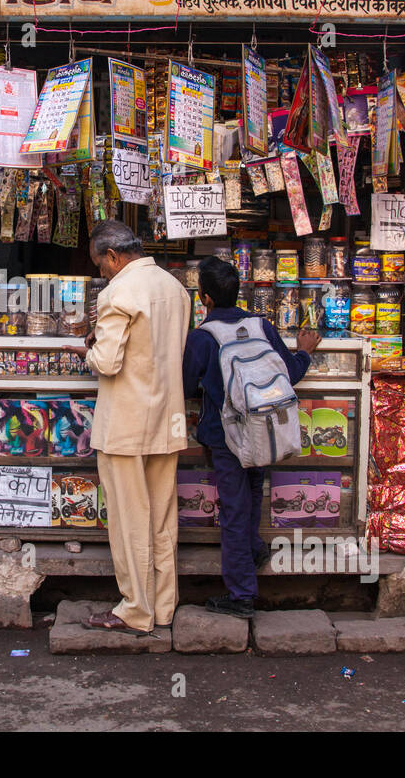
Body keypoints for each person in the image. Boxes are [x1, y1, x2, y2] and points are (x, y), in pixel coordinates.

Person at [63, 221, 190, 636]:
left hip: (126, 424)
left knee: (130, 520)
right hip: (166, 419)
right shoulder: (175, 288)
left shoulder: (118, 291)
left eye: (101, 265)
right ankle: (163, 607)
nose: (102, 272)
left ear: (114, 257)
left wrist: (90, 348)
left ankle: (136, 609)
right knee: (161, 519)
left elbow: (108, 362)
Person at [182, 256, 320, 618]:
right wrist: (305, 352)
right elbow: (289, 372)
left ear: (205, 297)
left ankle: (242, 594)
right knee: (252, 493)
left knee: (234, 510)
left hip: (225, 438)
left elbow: (184, 385)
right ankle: (254, 548)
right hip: (264, 430)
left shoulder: (202, 337)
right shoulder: (262, 325)